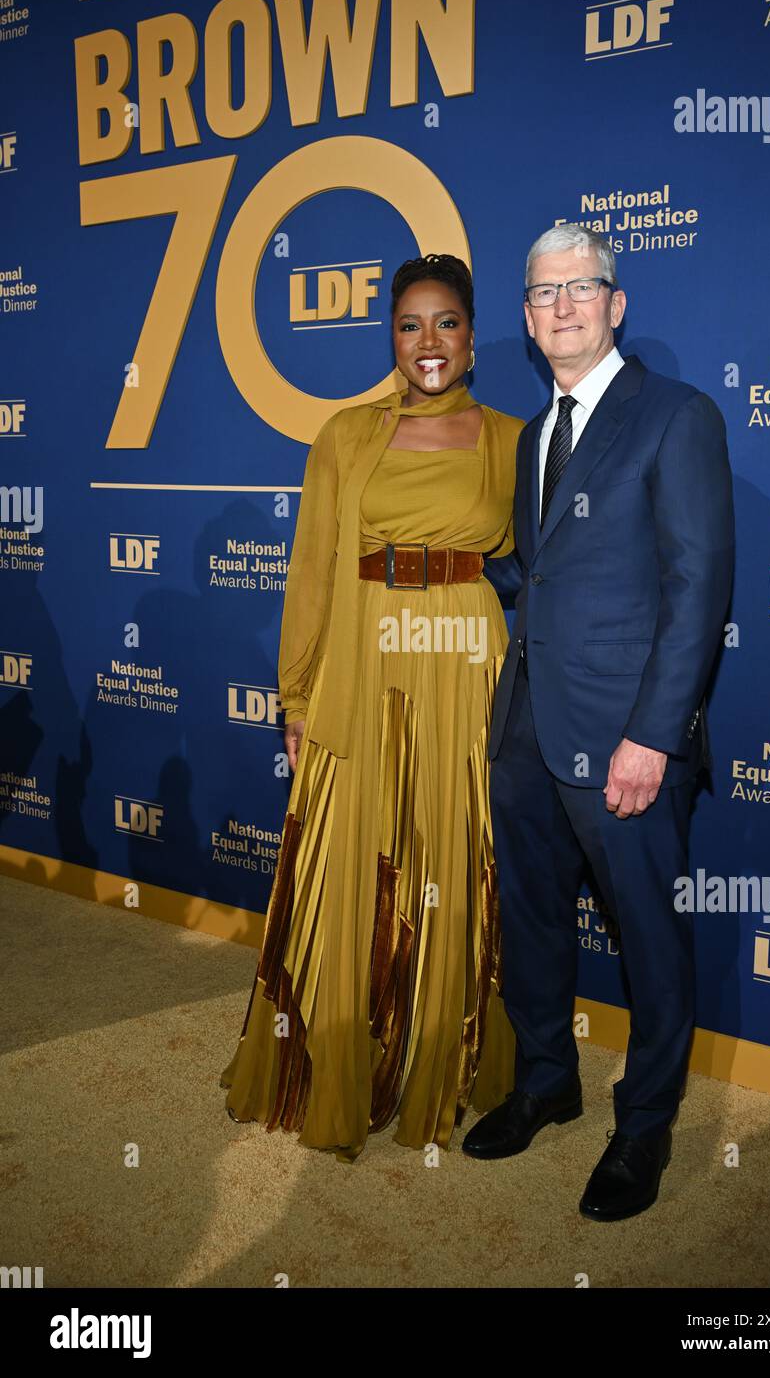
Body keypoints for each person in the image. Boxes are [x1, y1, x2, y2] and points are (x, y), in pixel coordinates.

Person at [220, 254, 524, 1162]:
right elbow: (311, 568)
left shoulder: (516, 437)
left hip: (467, 654)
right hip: (363, 651)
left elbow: (551, 566)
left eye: (446, 324)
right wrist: (299, 689)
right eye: (408, 325)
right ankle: (344, 1053)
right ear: (389, 338)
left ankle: (447, 1056)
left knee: (457, 850)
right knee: (351, 852)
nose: (428, 342)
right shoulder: (346, 436)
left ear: (472, 337)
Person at [462, 224, 735, 1222]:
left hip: (624, 737)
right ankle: (544, 1079)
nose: (561, 306)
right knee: (530, 917)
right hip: (528, 725)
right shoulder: (534, 433)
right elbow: (542, 577)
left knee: (647, 934)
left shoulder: (675, 416)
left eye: (581, 288)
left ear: (615, 304)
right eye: (542, 294)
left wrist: (651, 736)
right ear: (528, 320)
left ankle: (644, 1121)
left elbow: (695, 587)